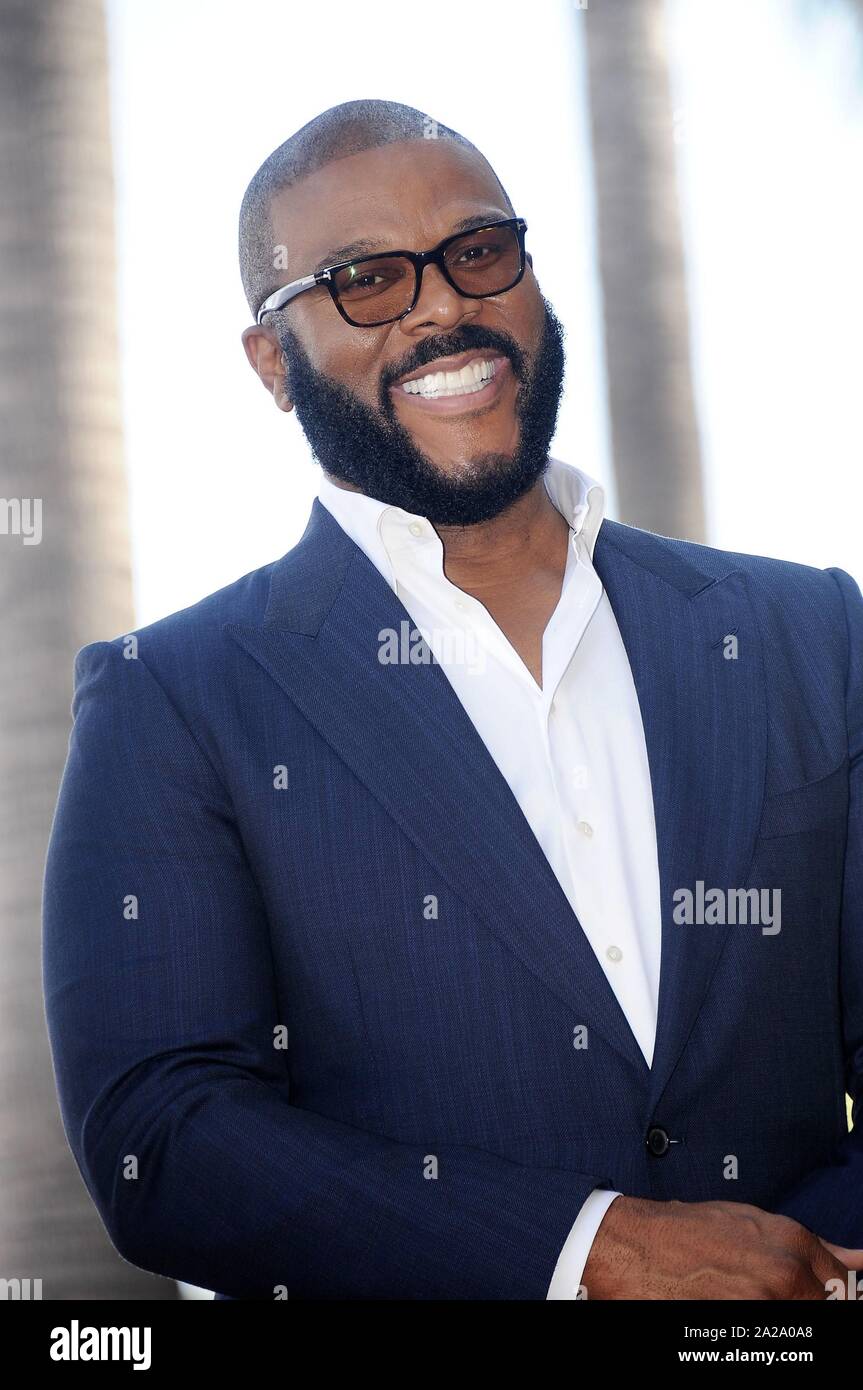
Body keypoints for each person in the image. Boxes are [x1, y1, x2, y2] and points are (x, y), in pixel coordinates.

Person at [43, 99, 863, 1300]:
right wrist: (591, 1251)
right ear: (273, 361)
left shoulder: (810, 632)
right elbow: (162, 1137)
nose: (441, 304)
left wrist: (816, 1273)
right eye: (365, 278)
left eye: (477, 251)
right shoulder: (173, 697)